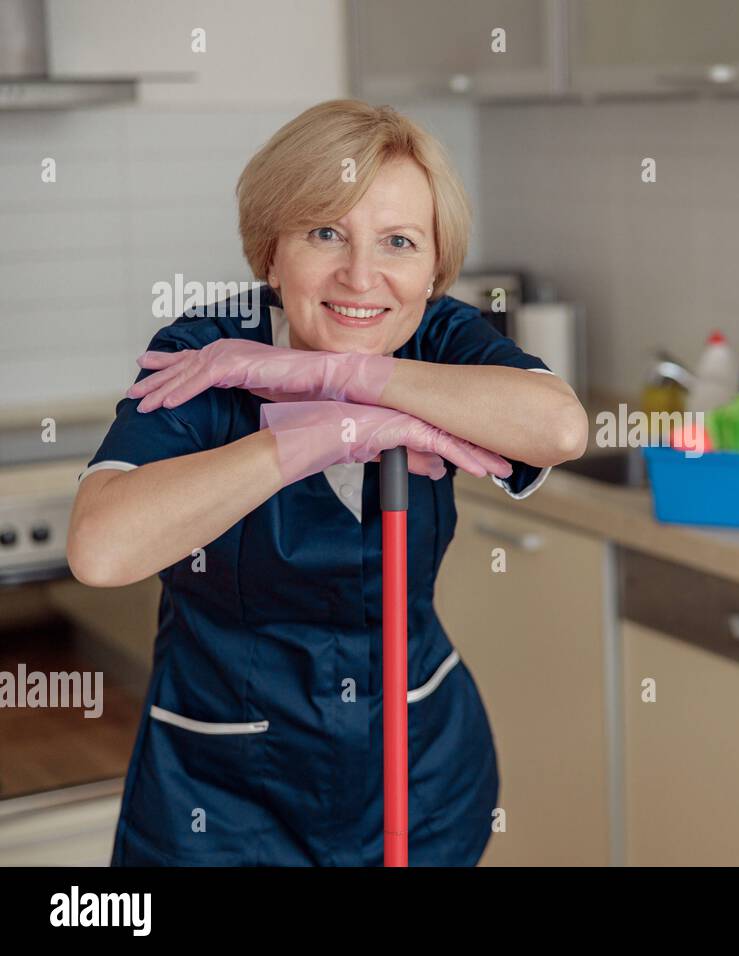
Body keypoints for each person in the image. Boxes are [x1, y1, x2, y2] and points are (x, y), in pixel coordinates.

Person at [67, 99, 588, 866]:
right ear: (270, 254)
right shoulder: (206, 355)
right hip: (221, 798)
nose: (361, 275)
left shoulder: (436, 334)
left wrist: (343, 374)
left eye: (399, 243)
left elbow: (562, 429)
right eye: (324, 233)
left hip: (420, 776)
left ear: (433, 271)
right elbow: (100, 550)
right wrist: (316, 437)